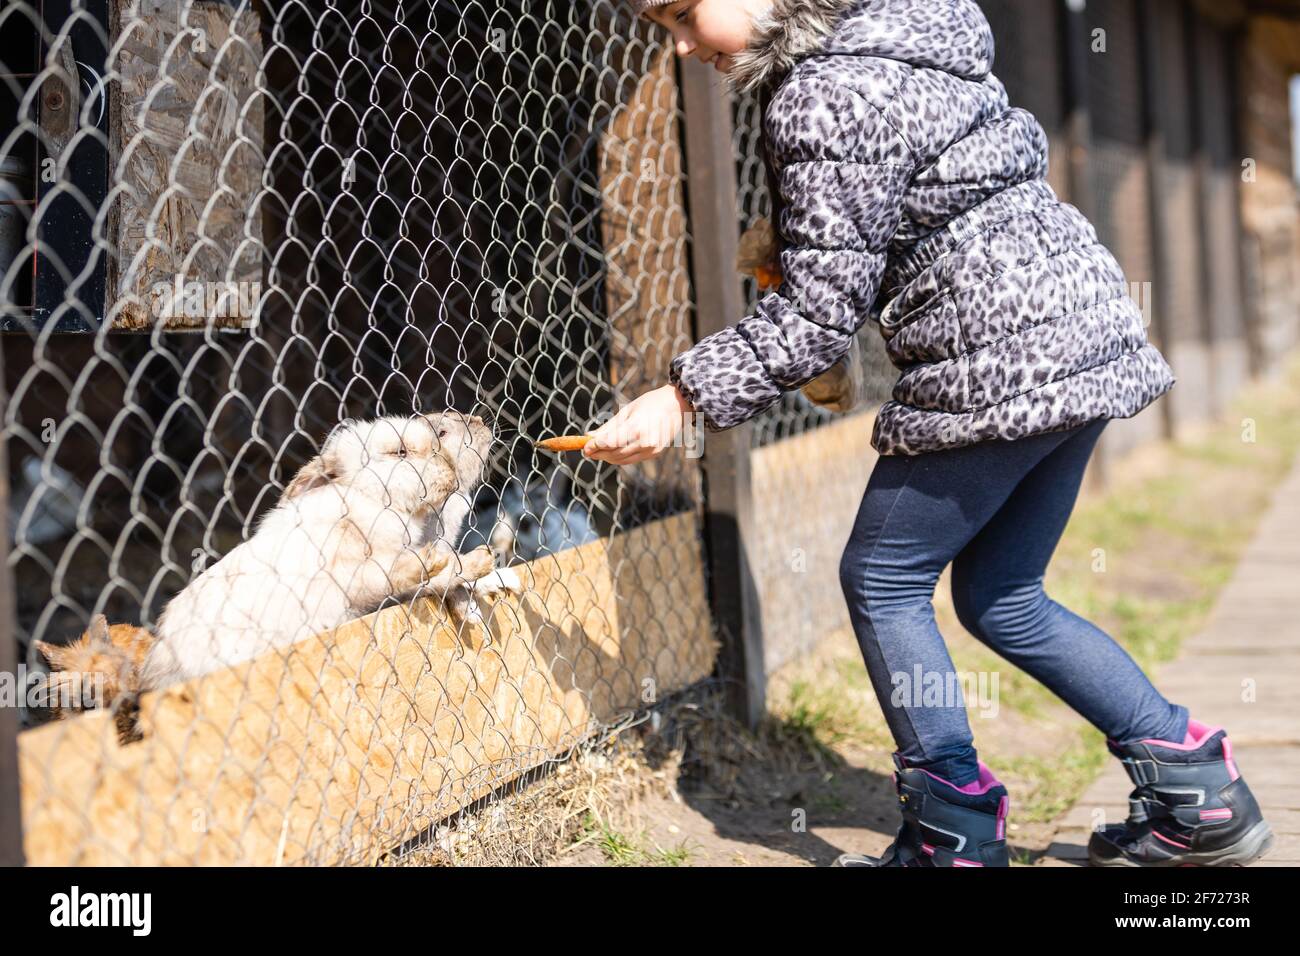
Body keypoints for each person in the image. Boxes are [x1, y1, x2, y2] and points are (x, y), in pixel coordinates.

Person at [584, 0, 1275, 868]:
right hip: (1085, 335)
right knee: (1003, 597)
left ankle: (953, 834)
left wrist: (680, 399)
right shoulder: (916, 37)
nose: (683, 46)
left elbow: (815, 314)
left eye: (685, 14)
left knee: (881, 576)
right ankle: (1200, 795)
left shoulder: (821, 94)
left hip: (999, 359)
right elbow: (913, 212)